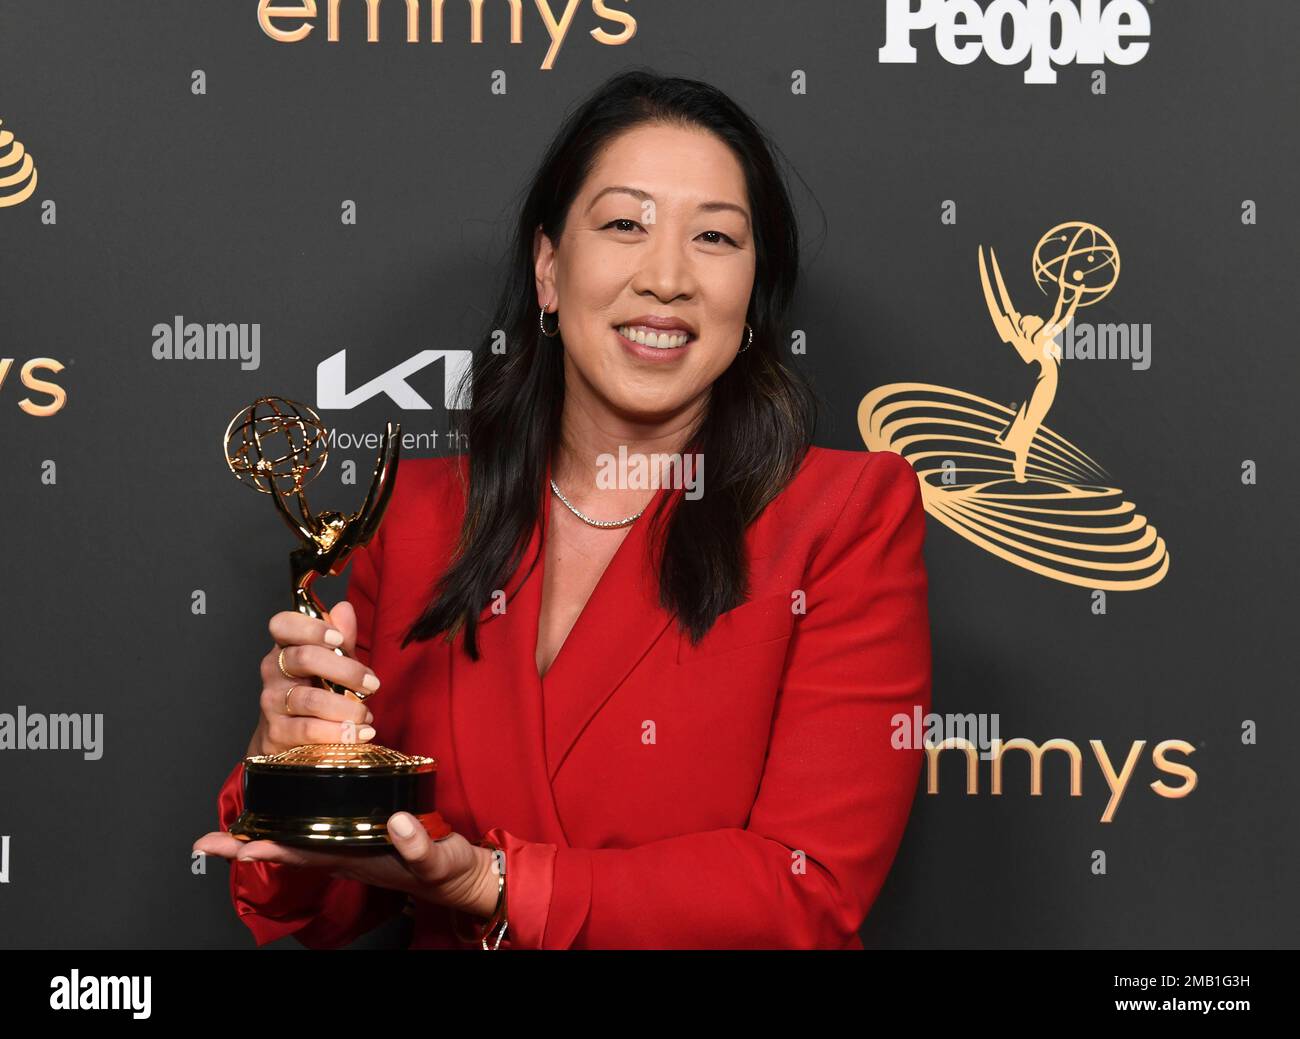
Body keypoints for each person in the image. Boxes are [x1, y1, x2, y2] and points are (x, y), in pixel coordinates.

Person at [193, 68, 932, 950]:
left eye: (716, 238)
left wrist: (496, 884)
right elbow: (328, 902)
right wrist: (293, 757)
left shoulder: (843, 514)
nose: (666, 277)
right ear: (549, 269)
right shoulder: (425, 514)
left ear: (752, 290)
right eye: (625, 224)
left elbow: (806, 891)